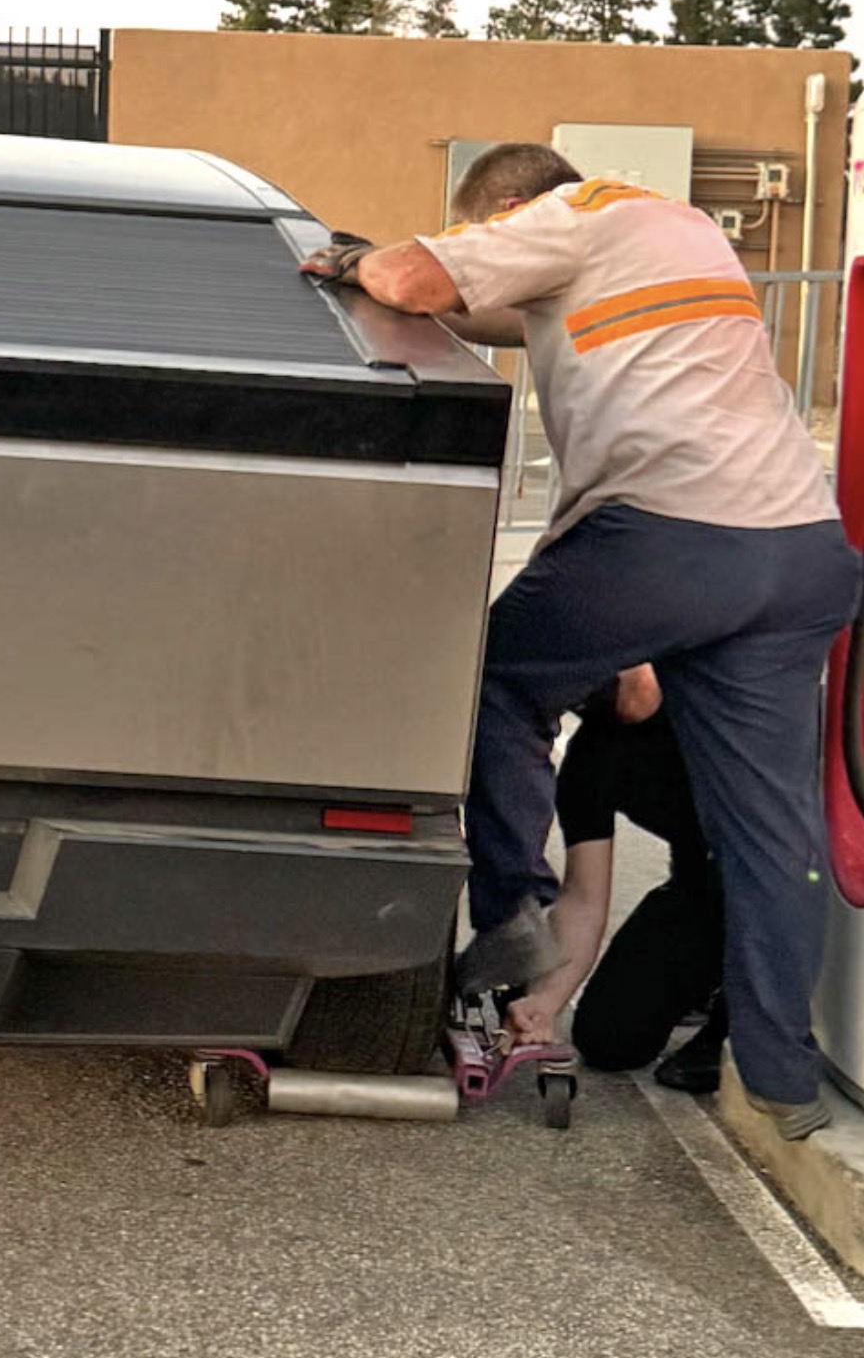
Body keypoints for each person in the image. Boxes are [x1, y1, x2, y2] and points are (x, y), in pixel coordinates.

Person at [301, 143, 861, 1139]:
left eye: (486, 231)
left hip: (669, 536)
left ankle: (513, 914)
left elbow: (413, 277)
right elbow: (491, 311)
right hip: (799, 552)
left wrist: (351, 259)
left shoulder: (572, 214)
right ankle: (779, 1078)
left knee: (487, 682)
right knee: (770, 828)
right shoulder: (674, 229)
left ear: (510, 208)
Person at [503, 664, 729, 1094]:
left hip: (789, 887)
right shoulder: (596, 757)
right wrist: (545, 1002)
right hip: (701, 885)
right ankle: (707, 977)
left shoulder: (719, 696)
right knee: (608, 1039)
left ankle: (733, 1022)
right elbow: (583, 899)